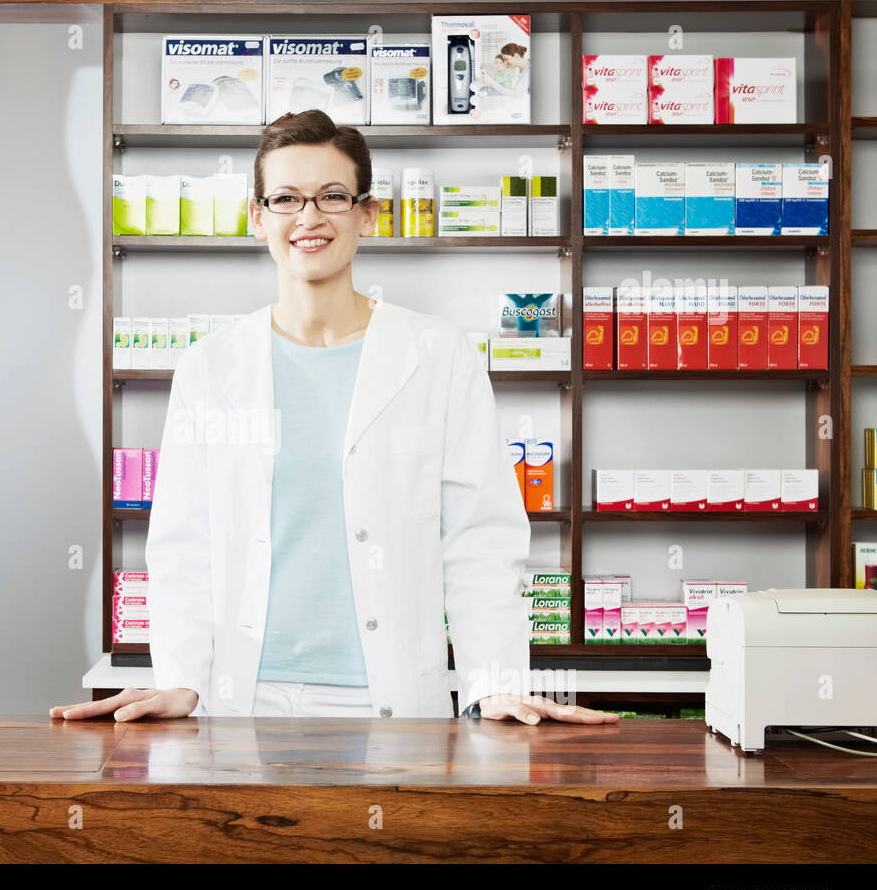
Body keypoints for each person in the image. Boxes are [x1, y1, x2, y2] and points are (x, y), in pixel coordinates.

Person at [50, 109, 617, 727]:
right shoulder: (211, 367)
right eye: (286, 198)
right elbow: (184, 544)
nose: (309, 217)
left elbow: (480, 541)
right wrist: (182, 679)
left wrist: (496, 684)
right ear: (257, 216)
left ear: (368, 214)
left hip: (393, 695)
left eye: (333, 196)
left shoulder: (438, 356)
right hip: (244, 696)